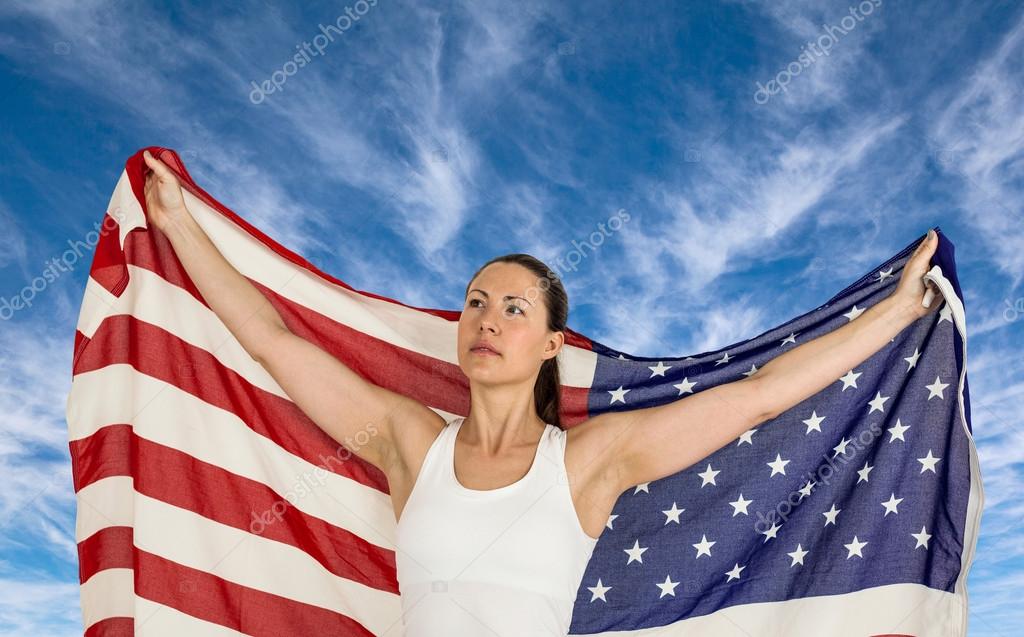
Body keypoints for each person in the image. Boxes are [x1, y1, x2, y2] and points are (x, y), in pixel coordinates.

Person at [141, 149, 942, 635]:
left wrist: (898, 313)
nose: (487, 320)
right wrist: (178, 225)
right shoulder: (409, 441)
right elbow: (274, 343)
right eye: (476, 304)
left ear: (552, 343)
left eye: (513, 308)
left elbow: (759, 396)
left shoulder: (588, 461)